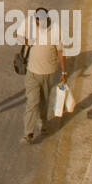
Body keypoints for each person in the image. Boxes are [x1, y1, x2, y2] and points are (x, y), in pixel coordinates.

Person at [20, 8, 67, 144]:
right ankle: (28, 133)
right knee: (32, 102)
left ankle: (43, 121)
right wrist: (26, 40)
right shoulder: (32, 29)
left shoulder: (55, 31)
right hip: (32, 72)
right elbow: (20, 37)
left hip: (48, 73)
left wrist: (64, 72)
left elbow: (60, 52)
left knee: (44, 101)